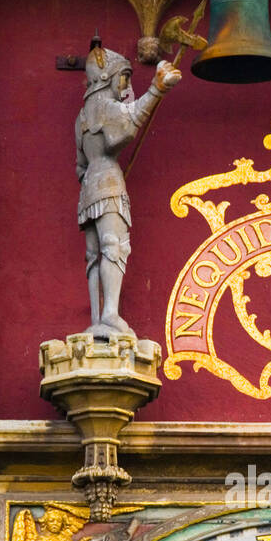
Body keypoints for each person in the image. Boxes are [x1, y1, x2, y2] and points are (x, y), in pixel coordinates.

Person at [76, 39, 181, 336]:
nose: (124, 86)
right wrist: (156, 89)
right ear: (107, 76)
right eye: (123, 77)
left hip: (88, 189)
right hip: (109, 182)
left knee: (94, 253)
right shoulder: (106, 107)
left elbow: (79, 166)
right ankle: (110, 314)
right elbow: (128, 122)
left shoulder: (82, 117)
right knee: (115, 246)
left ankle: (97, 318)